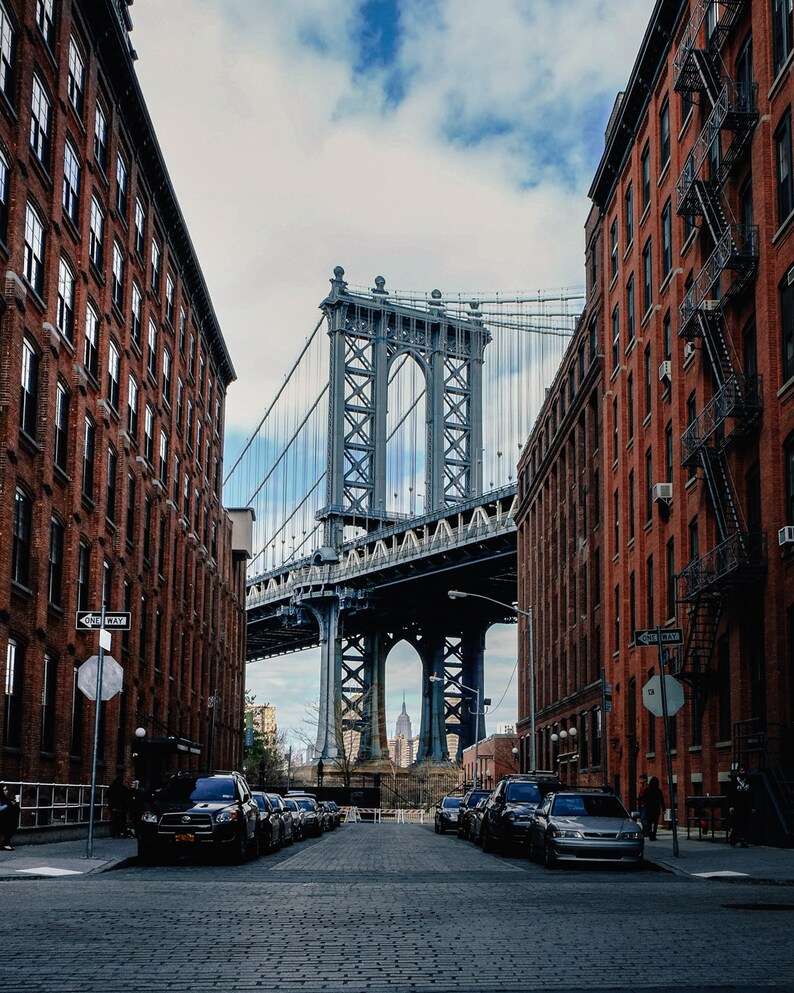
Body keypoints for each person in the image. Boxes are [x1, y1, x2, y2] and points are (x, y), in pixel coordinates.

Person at [727, 767, 754, 848]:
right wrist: (731, 806)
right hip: (736, 807)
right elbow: (730, 795)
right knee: (736, 824)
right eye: (742, 770)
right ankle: (733, 839)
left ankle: (743, 840)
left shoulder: (748, 782)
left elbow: (751, 795)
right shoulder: (734, 782)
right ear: (738, 771)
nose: (743, 772)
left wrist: (752, 807)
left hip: (745, 807)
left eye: (744, 770)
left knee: (745, 824)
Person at [642, 776, 665, 841]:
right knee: (655, 822)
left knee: (649, 822)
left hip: (649, 808)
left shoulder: (647, 790)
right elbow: (662, 800)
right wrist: (663, 809)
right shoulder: (658, 790)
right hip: (656, 808)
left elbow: (644, 799)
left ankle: (650, 833)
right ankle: (654, 835)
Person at [0, 784, 20, 851]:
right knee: (9, 824)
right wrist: (7, 806)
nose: (6, 791)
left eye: (7, 790)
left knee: (12, 823)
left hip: (5, 820)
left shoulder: (7, 799)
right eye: (4, 790)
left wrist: (15, 804)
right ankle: (5, 844)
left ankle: (6, 843)